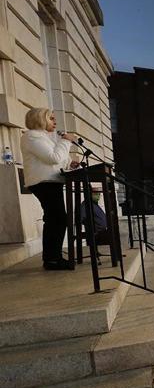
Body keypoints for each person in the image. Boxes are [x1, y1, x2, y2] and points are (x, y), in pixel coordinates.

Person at [21, 107, 79, 270]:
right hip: (43, 183)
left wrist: (70, 164)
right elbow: (53, 158)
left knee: (56, 219)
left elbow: (56, 160)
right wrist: (66, 141)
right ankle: (52, 259)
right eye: (51, 118)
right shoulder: (32, 136)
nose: (55, 122)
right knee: (57, 219)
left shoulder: (43, 137)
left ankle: (53, 257)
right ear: (41, 119)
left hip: (51, 182)